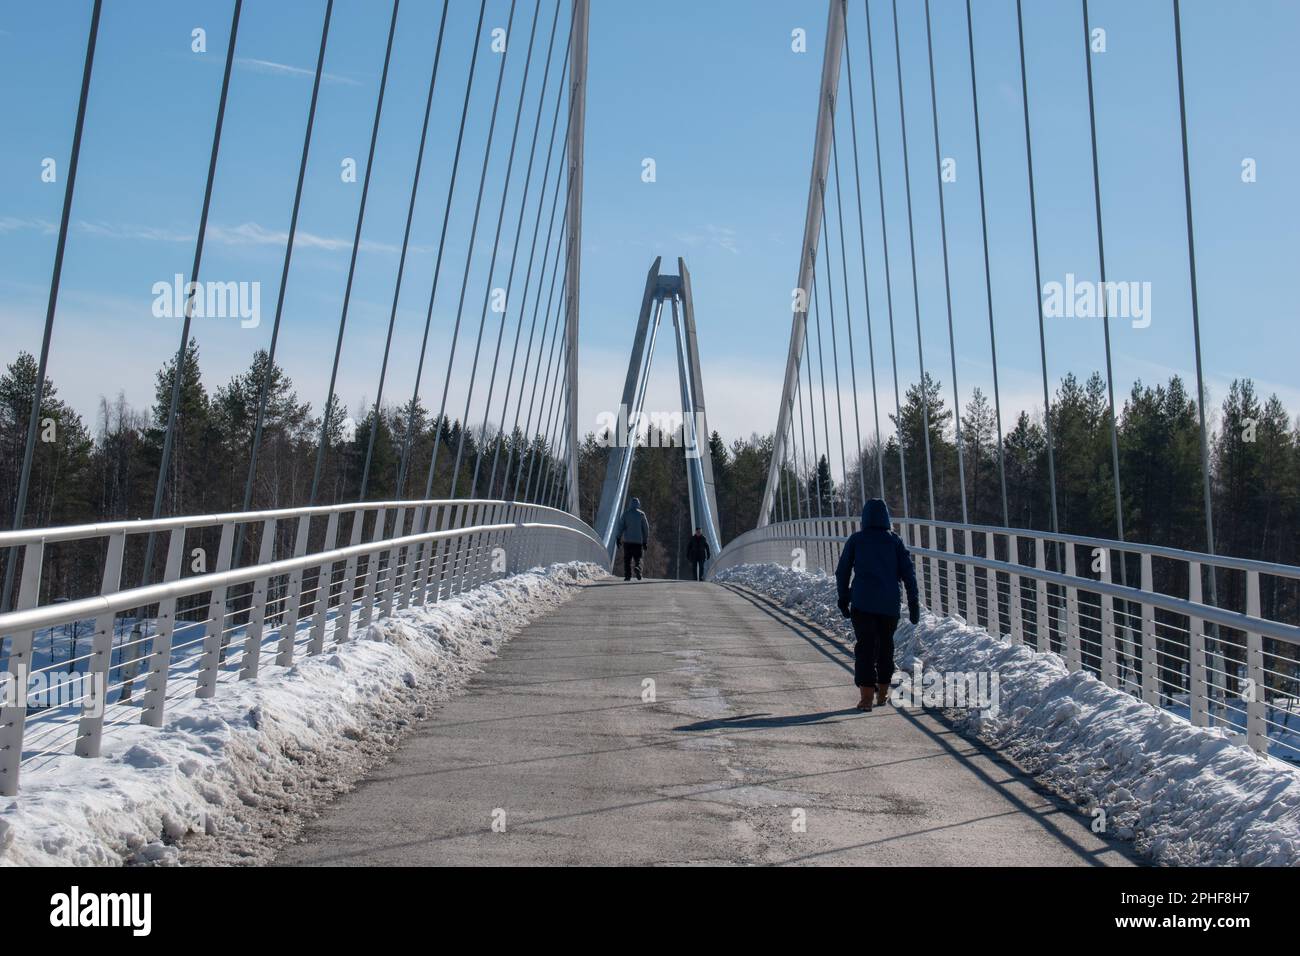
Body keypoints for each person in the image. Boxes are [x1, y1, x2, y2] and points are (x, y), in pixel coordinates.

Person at [835, 498, 919, 712]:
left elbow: (843, 570)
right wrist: (913, 601)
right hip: (889, 605)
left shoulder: (856, 540)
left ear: (864, 518)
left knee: (865, 647)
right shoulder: (895, 541)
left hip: (862, 603)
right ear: (886, 518)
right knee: (885, 646)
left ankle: (865, 697)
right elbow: (908, 574)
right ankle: (882, 692)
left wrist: (843, 597)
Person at [616, 496, 650, 581]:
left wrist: (618, 538)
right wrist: (645, 541)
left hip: (627, 542)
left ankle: (628, 576)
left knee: (627, 559)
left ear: (630, 504)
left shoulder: (626, 514)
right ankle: (638, 568)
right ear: (638, 504)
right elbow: (646, 529)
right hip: (638, 542)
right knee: (638, 558)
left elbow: (620, 527)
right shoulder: (641, 514)